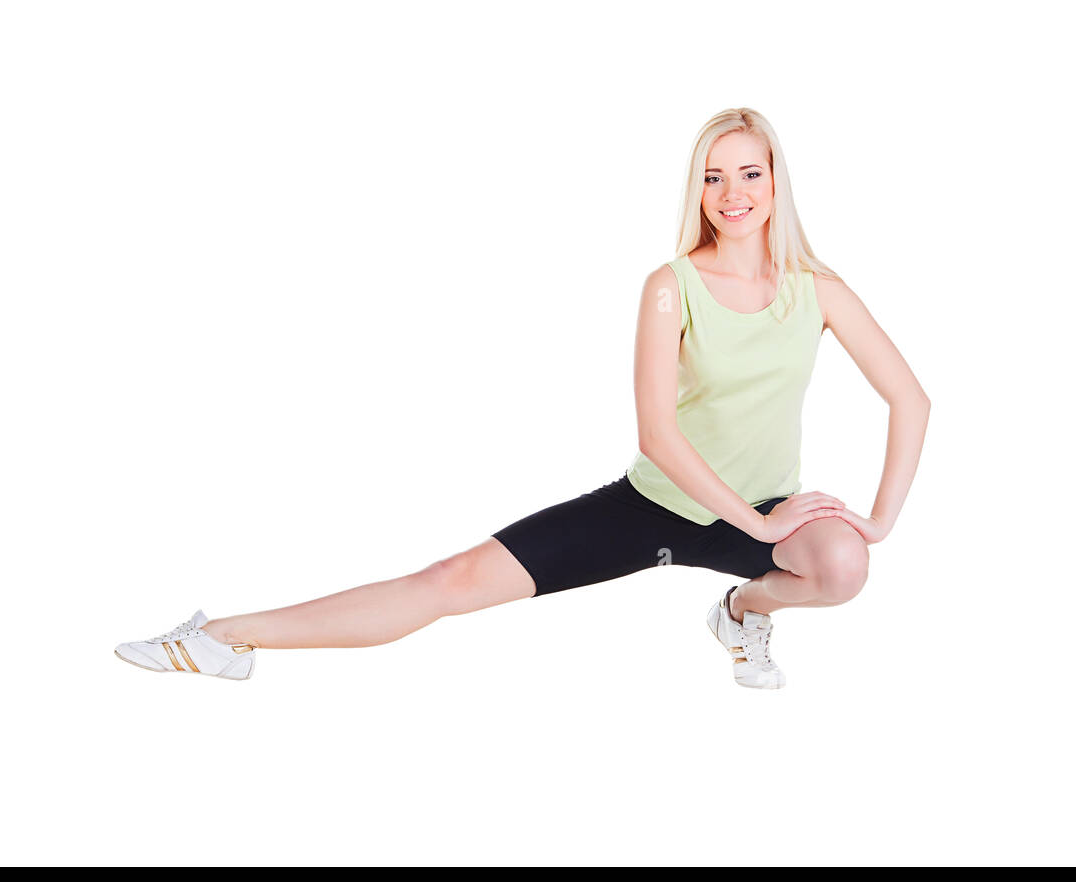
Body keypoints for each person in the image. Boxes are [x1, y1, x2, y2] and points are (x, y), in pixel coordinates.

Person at [114, 107, 930, 689]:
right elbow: (658, 433)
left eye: (750, 172)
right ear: (699, 189)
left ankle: (742, 613)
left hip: (764, 509)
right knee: (451, 579)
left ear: (777, 180)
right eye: (714, 177)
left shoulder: (818, 290)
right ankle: (222, 638)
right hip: (657, 506)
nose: (732, 193)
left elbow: (910, 399)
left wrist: (878, 518)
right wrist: (757, 524)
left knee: (845, 565)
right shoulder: (669, 286)